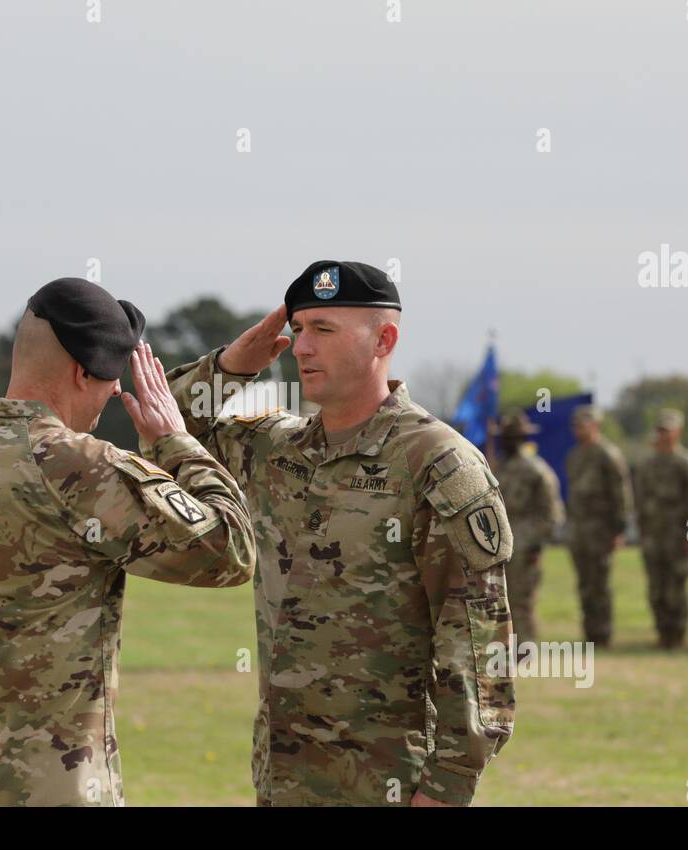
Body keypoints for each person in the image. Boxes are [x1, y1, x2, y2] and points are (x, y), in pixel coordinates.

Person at [0, 277, 255, 806]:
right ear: (80, 372)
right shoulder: (81, 467)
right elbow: (229, 551)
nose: (112, 398)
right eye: (111, 385)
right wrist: (175, 443)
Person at [163, 260, 516, 807]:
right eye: (298, 329)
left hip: (389, 783)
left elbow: (476, 637)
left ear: (384, 340)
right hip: (283, 779)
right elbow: (165, 433)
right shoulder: (277, 449)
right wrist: (232, 366)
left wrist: (448, 788)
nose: (302, 347)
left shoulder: (435, 462)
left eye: (323, 330)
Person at [633, 408, 688, 648]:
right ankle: (662, 632)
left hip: (677, 536)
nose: (664, 435)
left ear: (678, 432)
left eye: (668, 430)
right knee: (656, 587)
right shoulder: (647, 464)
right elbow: (640, 500)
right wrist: (641, 532)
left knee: (676, 586)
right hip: (654, 535)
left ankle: (677, 634)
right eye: (661, 430)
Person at [564, 404, 632, 646]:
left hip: (601, 530)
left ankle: (602, 633)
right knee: (584, 582)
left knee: (599, 583)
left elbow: (620, 494)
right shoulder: (575, 455)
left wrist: (619, 529)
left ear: (595, 426)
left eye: (583, 425)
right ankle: (589, 633)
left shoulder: (608, 454)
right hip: (580, 529)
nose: (578, 430)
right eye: (576, 426)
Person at [495, 410, 564, 644]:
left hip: (525, 546)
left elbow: (552, 513)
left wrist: (536, 545)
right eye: (505, 437)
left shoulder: (536, 469)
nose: (507, 442)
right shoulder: (498, 467)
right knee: (500, 599)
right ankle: (506, 646)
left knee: (522, 599)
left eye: (512, 437)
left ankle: (525, 648)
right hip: (499, 545)